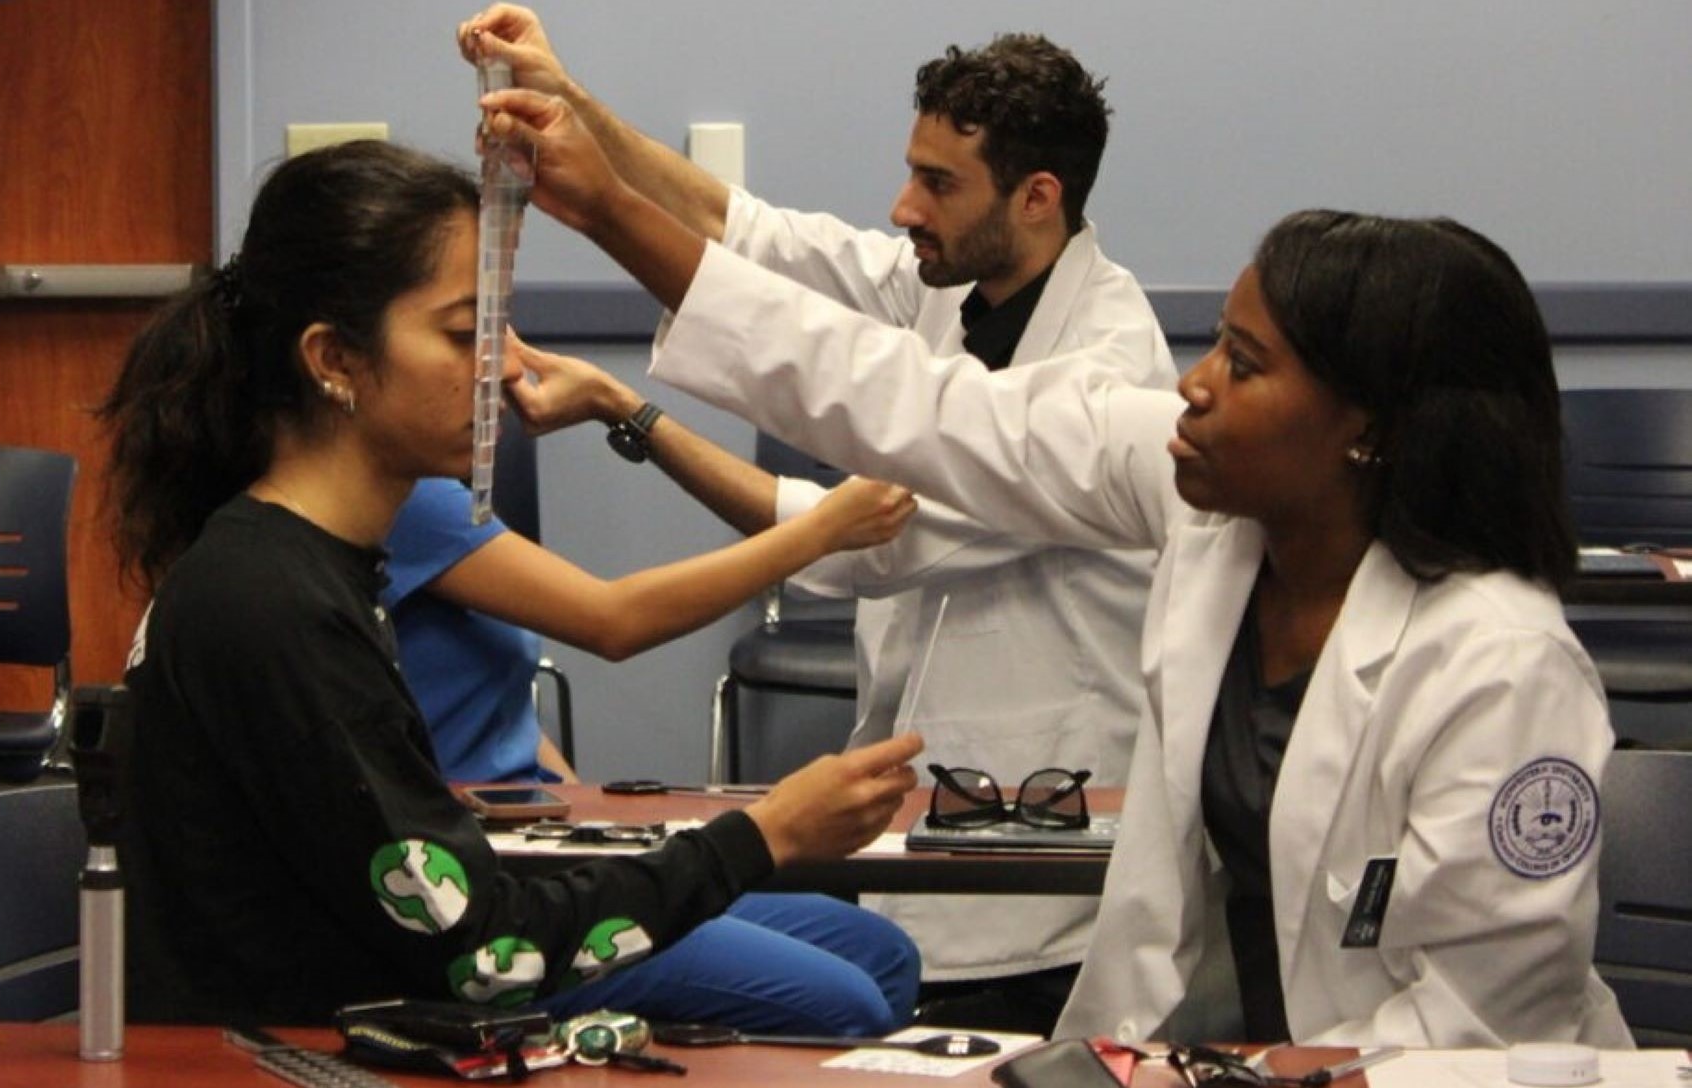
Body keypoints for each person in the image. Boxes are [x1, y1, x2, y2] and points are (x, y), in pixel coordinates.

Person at [474, 88, 1638, 1046]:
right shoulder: (1209, 510)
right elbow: (910, 400)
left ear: (1367, 425)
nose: (1193, 386)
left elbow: (1480, 1027)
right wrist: (611, 209)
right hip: (1180, 1047)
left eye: (1244, 363)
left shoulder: (1497, 666)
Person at [97, 138, 930, 1032]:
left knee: (877, 950)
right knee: (840, 1003)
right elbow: (486, 956)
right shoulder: (272, 604)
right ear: (333, 360)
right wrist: (763, 834)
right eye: (464, 334)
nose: (500, 365)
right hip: (328, 1035)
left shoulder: (316, 565)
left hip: (403, 962)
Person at [461, 5, 1176, 1029]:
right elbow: (737, 227)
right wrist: (571, 101)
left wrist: (631, 407)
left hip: (1037, 842)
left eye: (937, 182)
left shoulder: (1100, 376)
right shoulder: (940, 284)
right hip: (917, 793)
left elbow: (856, 530)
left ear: (1036, 197)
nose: (901, 206)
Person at [387, 377, 923, 786]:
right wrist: (823, 529)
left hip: (527, 841)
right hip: (489, 868)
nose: (504, 372)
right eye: (462, 335)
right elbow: (613, 619)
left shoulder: (423, 498)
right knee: (864, 938)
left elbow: (506, 723)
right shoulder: (410, 502)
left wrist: (585, 822)